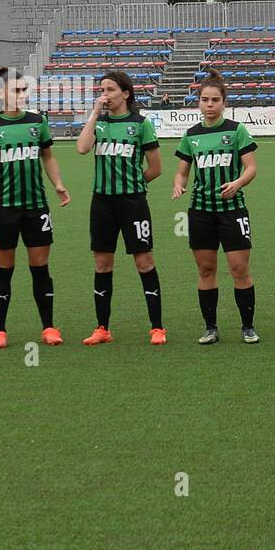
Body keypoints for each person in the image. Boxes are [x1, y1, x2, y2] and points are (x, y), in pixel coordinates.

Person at [0, 67, 70, 349]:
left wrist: (58, 184)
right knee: (4, 268)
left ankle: (48, 327)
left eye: (24, 90)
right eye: (15, 90)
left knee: (40, 268)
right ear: (0, 93)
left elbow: (48, 156)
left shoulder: (38, 122)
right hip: (4, 208)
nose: (21, 95)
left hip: (36, 206)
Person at [75, 70, 165, 346]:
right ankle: (102, 327)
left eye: (111, 89)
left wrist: (135, 186)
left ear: (126, 93)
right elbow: (81, 148)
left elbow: (155, 168)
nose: (106, 95)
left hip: (133, 203)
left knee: (144, 261)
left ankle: (157, 328)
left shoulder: (140, 124)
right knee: (102, 264)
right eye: (103, 89)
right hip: (101, 203)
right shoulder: (99, 124)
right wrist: (93, 115)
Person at [172, 71, 259, 345]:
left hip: (232, 210)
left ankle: (247, 326)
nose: (209, 105)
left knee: (239, 269)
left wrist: (237, 183)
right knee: (206, 270)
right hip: (200, 211)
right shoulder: (191, 135)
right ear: (198, 102)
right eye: (204, 100)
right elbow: (182, 171)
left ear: (224, 103)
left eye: (215, 100)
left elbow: (252, 168)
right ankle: (210, 327)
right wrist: (179, 184)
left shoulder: (236, 130)